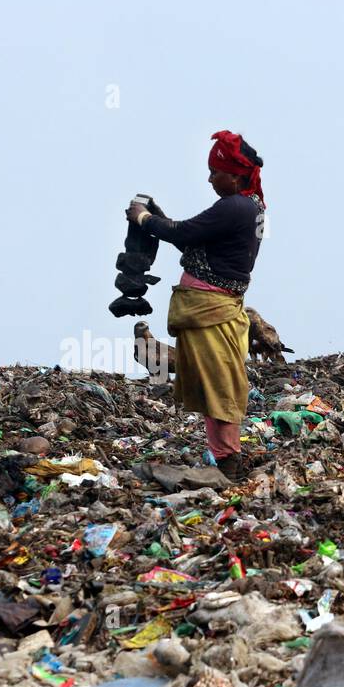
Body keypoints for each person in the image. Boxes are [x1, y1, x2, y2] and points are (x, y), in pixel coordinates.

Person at [125, 130, 266, 482]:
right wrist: (161, 222)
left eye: (214, 172)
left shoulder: (235, 206)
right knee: (215, 382)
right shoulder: (250, 207)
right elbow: (195, 244)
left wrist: (144, 219)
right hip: (213, 309)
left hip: (212, 310)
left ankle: (229, 464)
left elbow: (186, 232)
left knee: (221, 384)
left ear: (233, 175)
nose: (209, 178)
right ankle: (224, 458)